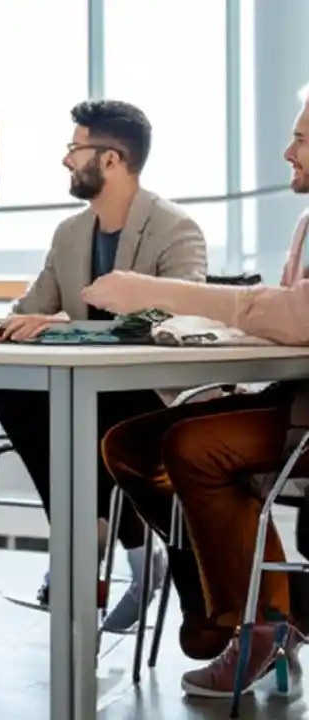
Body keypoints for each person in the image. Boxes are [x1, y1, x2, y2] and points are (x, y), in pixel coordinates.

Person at [86, 94, 309, 698]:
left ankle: (253, 623)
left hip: (307, 414)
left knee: (193, 445)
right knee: (131, 443)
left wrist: (165, 294)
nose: (288, 151)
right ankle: (267, 609)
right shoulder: (306, 222)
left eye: (302, 140)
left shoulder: (173, 224)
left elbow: (299, 317)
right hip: (291, 397)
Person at [0, 99, 208, 630]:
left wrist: (67, 329)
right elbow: (32, 310)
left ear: (110, 159)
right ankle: (92, 546)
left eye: (74, 149)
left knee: (97, 416)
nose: (66, 160)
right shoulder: (70, 234)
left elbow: (179, 322)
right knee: (16, 396)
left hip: (154, 399)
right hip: (91, 399)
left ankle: (88, 556)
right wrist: (2, 325)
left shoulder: (175, 229)